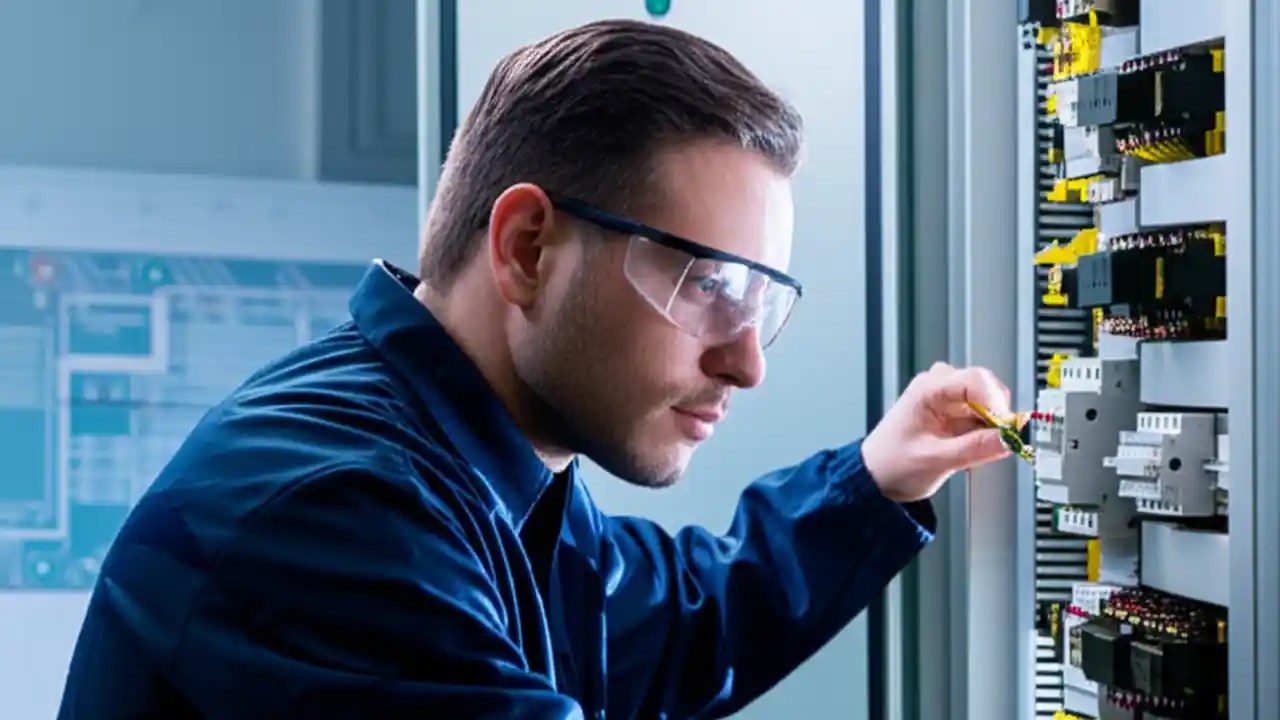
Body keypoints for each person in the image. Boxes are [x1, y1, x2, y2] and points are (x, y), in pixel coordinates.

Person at [58, 19, 1015, 719]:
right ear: (525, 247)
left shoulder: (474, 464)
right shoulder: (339, 511)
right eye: (706, 284)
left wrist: (878, 476)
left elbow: (674, 623)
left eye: (759, 303)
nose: (746, 362)